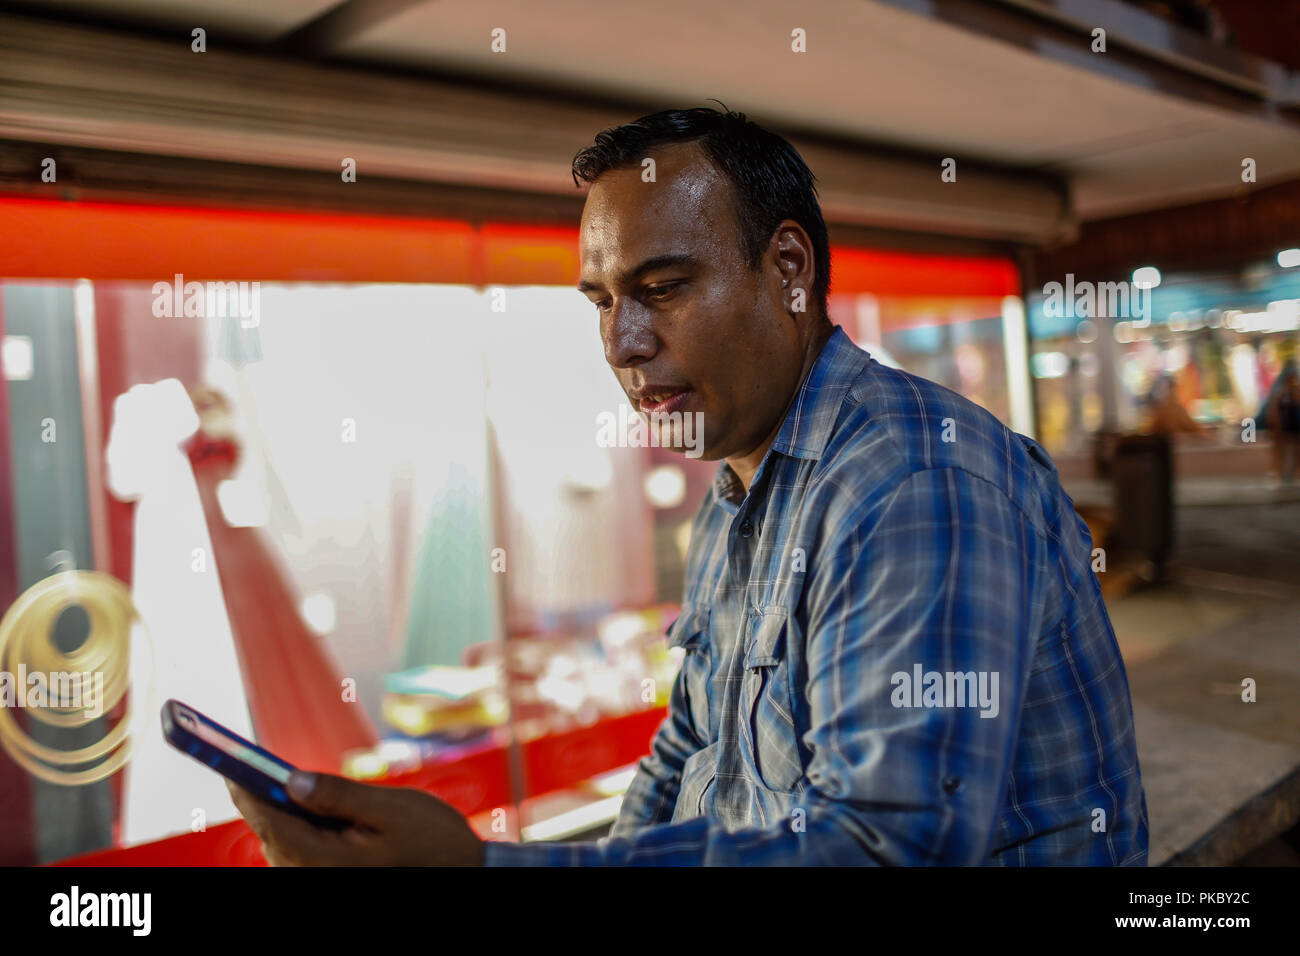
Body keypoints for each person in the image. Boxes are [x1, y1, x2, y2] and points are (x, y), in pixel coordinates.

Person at [228, 107, 1149, 866]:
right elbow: (689, 754)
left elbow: (889, 849)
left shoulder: (913, 481)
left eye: (661, 287)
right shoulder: (738, 490)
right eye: (601, 302)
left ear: (788, 271)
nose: (621, 344)